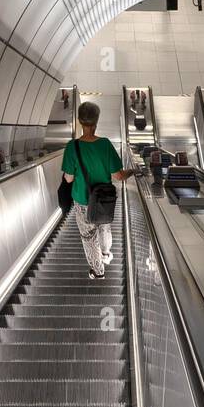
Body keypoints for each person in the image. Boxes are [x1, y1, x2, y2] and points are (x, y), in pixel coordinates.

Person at [61, 101, 134, 279]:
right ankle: (106, 254)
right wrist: (133, 171)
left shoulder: (72, 146)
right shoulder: (105, 144)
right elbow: (118, 176)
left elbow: (68, 178)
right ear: (96, 122)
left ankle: (98, 271)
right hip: (104, 199)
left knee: (88, 236)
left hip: (82, 200)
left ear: (79, 121)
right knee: (104, 228)